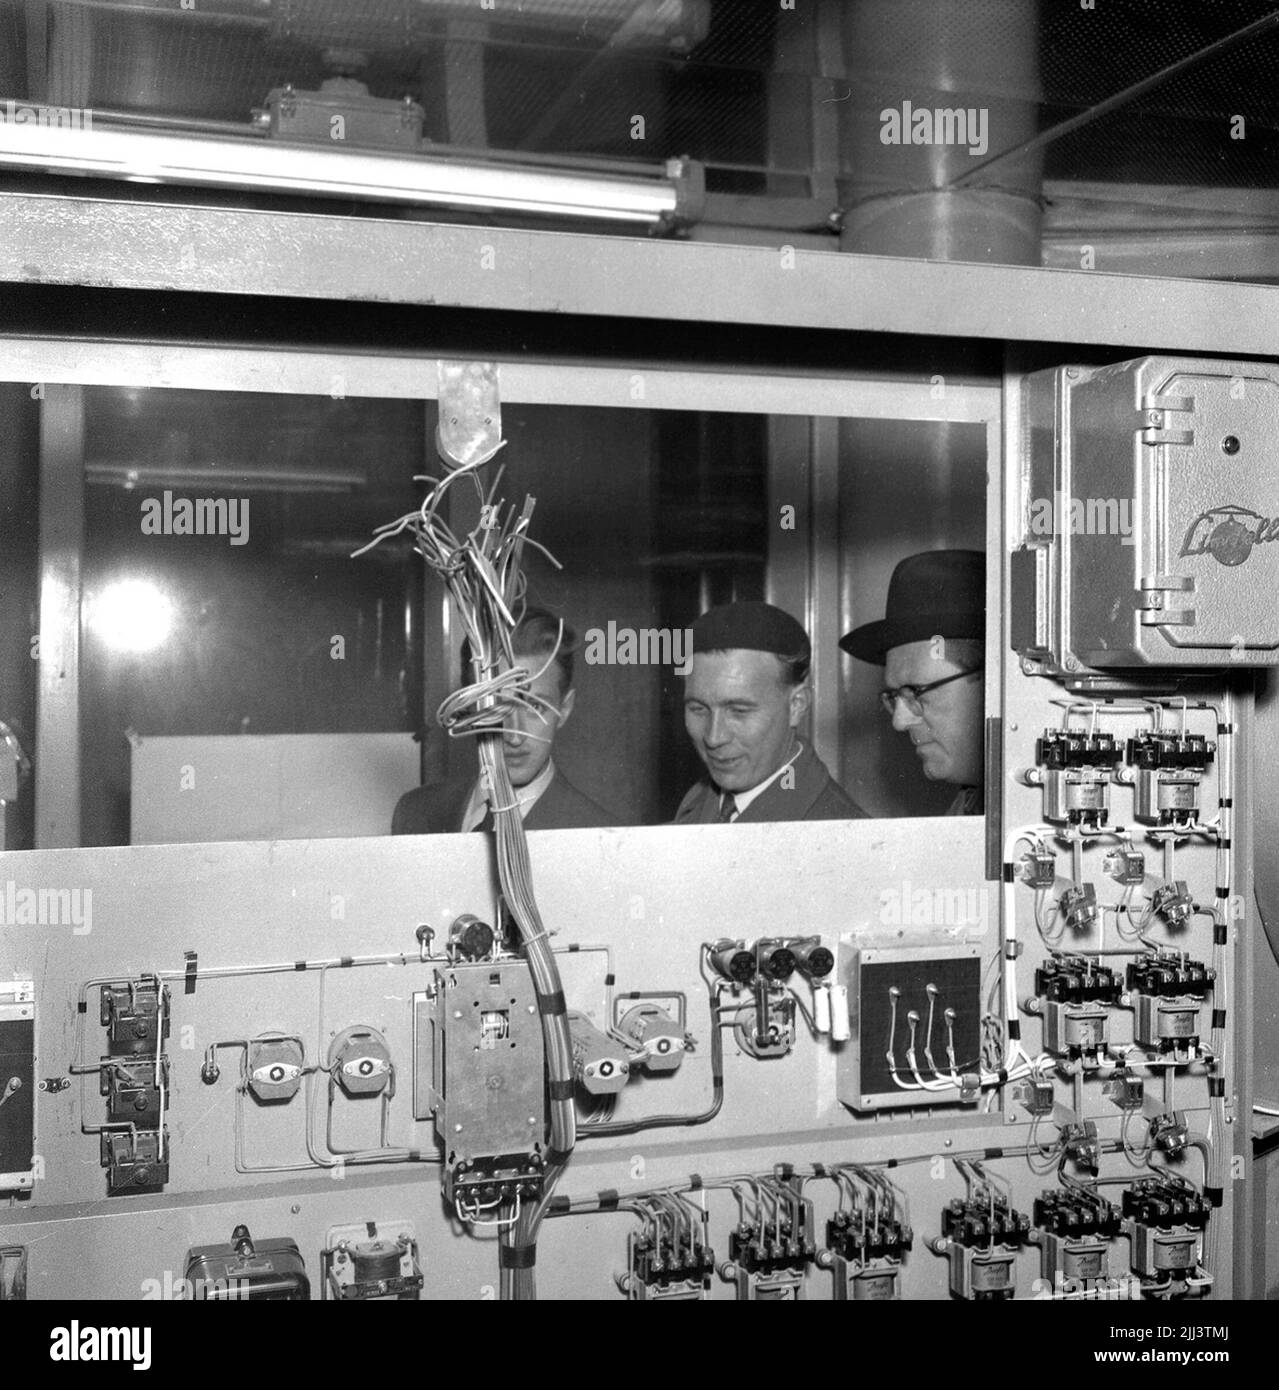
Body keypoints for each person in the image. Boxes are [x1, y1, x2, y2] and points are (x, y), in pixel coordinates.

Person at [392, 607, 615, 833]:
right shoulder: (414, 814)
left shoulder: (602, 837)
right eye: (495, 706)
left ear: (564, 709)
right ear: (468, 708)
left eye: (535, 707)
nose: (515, 736)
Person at [674, 600, 867, 824]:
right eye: (698, 709)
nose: (714, 737)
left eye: (738, 711)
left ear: (797, 705)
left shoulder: (842, 834)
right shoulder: (698, 801)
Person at [839, 550, 985, 815]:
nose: (899, 722)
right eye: (894, 697)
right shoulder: (970, 805)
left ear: (992, 684)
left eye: (916, 692)